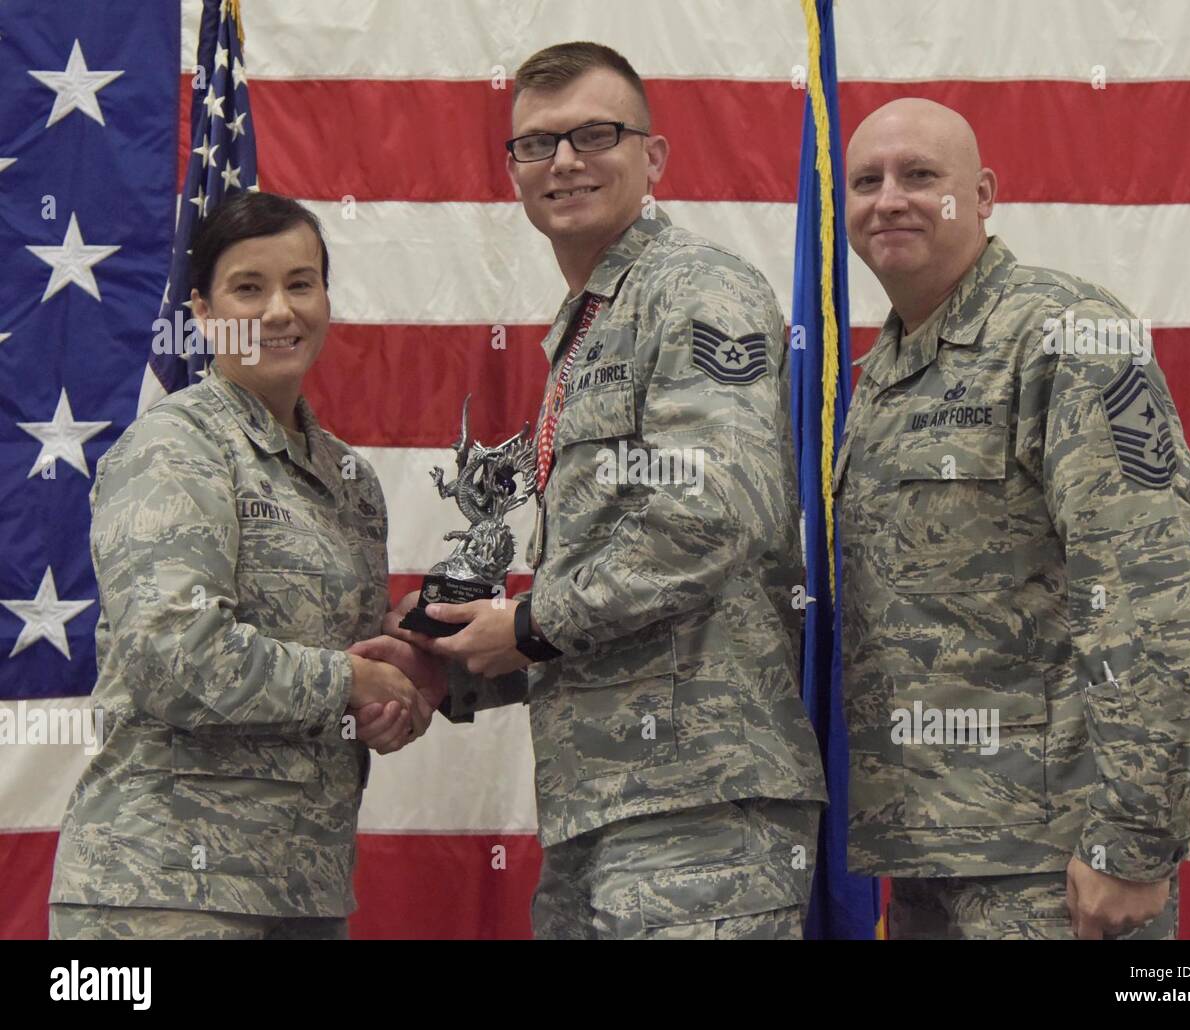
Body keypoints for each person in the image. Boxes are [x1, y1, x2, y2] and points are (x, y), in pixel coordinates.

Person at [373, 42, 826, 940]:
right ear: (513, 170)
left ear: (653, 156)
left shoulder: (695, 291)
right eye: (538, 145)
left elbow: (711, 511)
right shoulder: (587, 326)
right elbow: (614, 586)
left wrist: (531, 625)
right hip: (603, 808)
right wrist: (456, 660)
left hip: (704, 813)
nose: (566, 162)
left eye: (595, 134)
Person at [835, 98, 1190, 939]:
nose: (889, 199)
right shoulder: (880, 374)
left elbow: (1156, 594)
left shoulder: (1064, 334)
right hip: (929, 857)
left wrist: (1134, 841)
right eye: (865, 181)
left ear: (982, 195)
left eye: (920, 176)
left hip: (1053, 865)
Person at [48, 192, 438, 940]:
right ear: (201, 309)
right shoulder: (176, 448)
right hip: (161, 894)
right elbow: (174, 657)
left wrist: (395, 690)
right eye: (248, 288)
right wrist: (351, 680)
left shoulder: (350, 480)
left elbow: (342, 672)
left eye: (300, 283)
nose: (279, 312)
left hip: (304, 891)